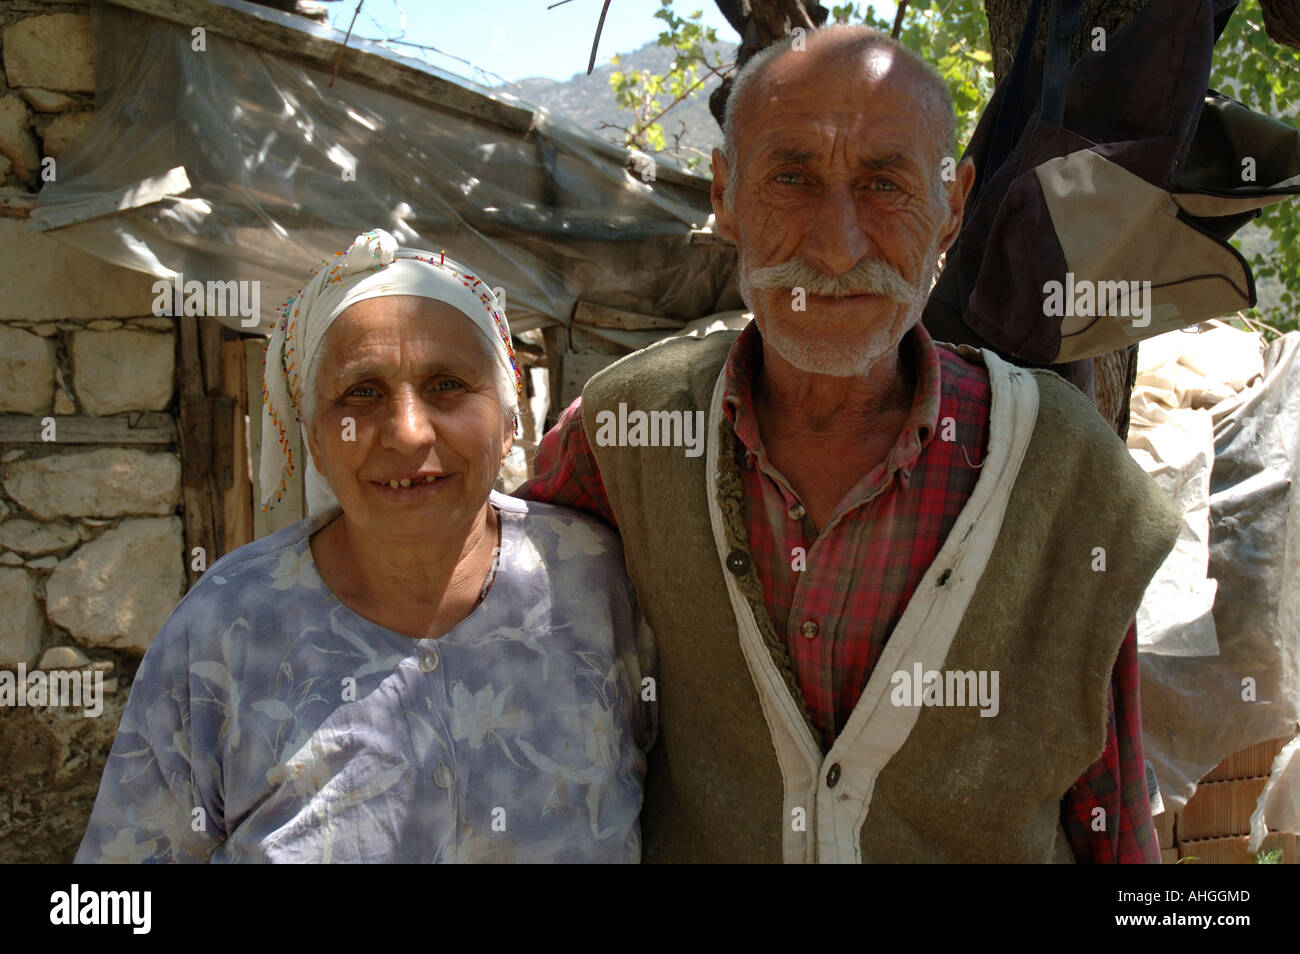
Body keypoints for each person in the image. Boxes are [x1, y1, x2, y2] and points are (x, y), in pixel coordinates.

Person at [520, 25, 1180, 863]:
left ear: (953, 205)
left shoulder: (1066, 464)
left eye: (884, 184)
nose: (838, 245)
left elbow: (1112, 813)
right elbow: (514, 664)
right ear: (723, 194)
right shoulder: (627, 432)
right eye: (790, 178)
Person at [76, 229, 653, 863]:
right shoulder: (225, 628)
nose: (407, 434)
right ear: (315, 439)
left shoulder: (603, 586)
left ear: (511, 413)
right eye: (361, 394)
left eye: (448, 385)